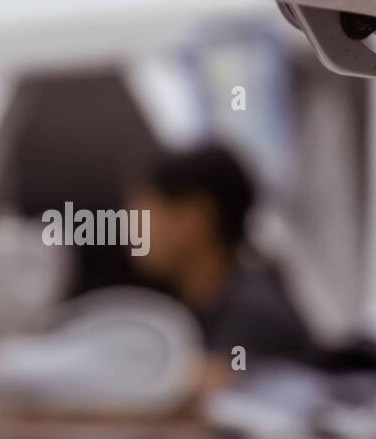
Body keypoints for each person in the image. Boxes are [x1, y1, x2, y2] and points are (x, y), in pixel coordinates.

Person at [128, 143, 315, 368]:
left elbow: (223, 382)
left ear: (197, 217)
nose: (134, 232)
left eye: (144, 217)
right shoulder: (205, 307)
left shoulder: (254, 313)